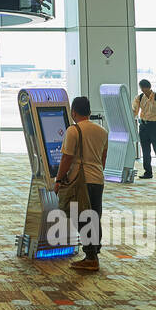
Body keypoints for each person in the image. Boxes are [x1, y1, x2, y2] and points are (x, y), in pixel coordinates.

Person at [56, 96, 109, 272]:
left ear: (73, 112)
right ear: (90, 112)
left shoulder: (73, 131)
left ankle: (91, 256)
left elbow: (67, 157)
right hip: (97, 179)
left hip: (81, 180)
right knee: (94, 215)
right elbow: (103, 158)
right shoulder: (102, 131)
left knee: (81, 216)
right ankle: (93, 252)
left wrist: (59, 179)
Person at [133, 78, 156, 181]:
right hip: (143, 127)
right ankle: (148, 172)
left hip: (155, 126)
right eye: (142, 88)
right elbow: (134, 110)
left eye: (144, 88)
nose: (143, 90)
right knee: (145, 150)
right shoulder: (139, 98)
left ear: (149, 87)